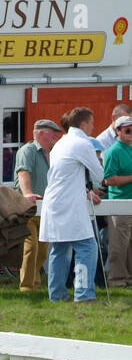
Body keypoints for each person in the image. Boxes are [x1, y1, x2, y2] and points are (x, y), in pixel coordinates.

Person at [39, 107, 104, 303]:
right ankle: (84, 294)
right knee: (87, 247)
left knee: (59, 249)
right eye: (91, 123)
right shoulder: (82, 144)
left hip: (55, 201)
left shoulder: (61, 143)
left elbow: (65, 175)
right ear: (83, 124)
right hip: (69, 204)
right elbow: (98, 175)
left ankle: (57, 295)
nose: (93, 127)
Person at [13, 119, 63, 292]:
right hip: (29, 208)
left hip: (46, 208)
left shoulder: (52, 153)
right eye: (53, 132)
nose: (57, 136)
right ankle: (27, 288)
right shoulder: (28, 150)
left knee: (42, 249)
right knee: (31, 246)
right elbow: (23, 172)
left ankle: (34, 283)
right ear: (41, 133)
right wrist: (27, 194)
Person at [101, 114, 132, 287]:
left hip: (131, 203)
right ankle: (118, 280)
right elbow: (109, 179)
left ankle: (129, 278)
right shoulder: (114, 151)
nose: (131, 133)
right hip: (120, 204)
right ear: (118, 131)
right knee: (119, 246)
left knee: (130, 245)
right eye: (127, 130)